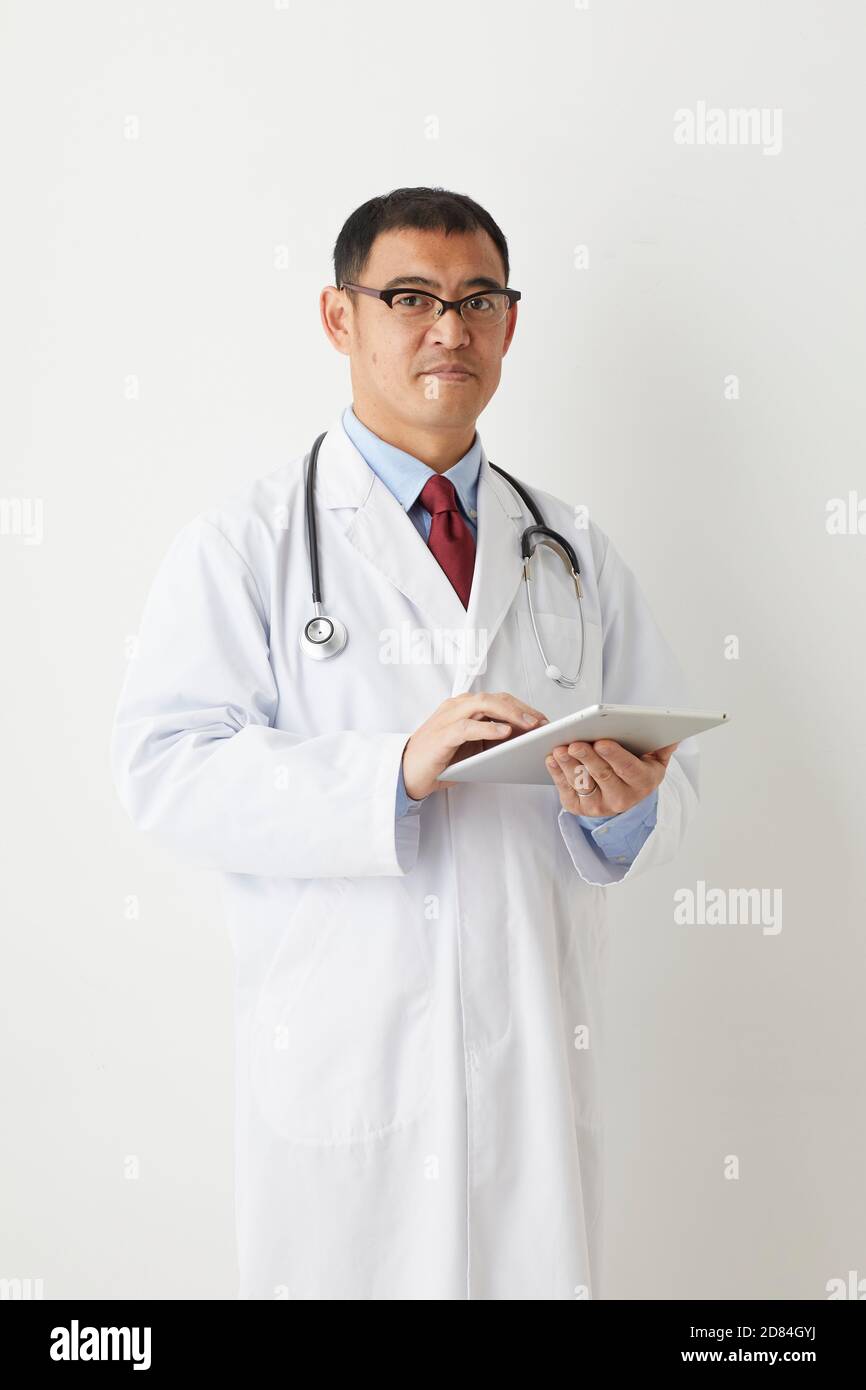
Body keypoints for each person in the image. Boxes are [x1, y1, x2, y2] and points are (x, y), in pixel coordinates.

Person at [111, 186, 699, 1300]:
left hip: (530, 1068)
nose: (450, 328)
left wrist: (624, 811)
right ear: (340, 318)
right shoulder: (247, 544)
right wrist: (388, 771)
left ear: (510, 325)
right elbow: (164, 769)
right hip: (347, 1082)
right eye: (411, 298)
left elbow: (678, 773)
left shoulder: (568, 547)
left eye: (479, 299)